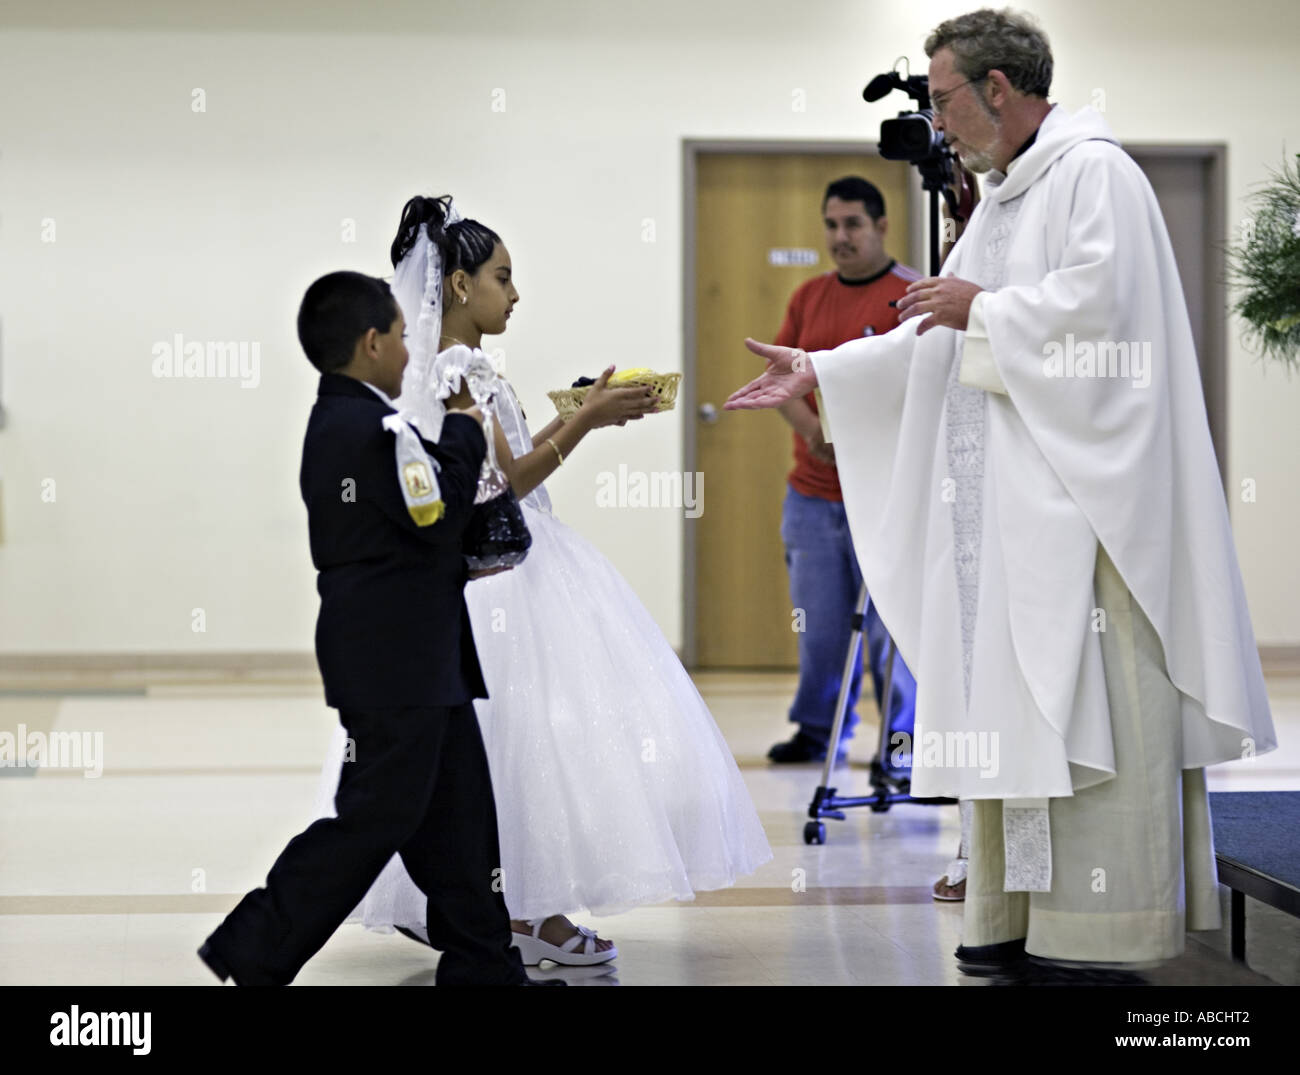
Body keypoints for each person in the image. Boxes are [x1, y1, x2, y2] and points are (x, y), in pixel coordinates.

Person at [727, 8, 1276, 982]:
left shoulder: (1094, 174)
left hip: (1091, 520)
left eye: (942, 100)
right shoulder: (1007, 195)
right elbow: (928, 333)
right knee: (1015, 714)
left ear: (997, 90)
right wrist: (820, 368)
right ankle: (1014, 913)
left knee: (1093, 715)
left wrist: (984, 308)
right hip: (1010, 523)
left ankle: (1099, 929)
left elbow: (1106, 326)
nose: (935, 122)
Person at [313, 196, 773, 967]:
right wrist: (587, 423)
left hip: (522, 574)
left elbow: (505, 464)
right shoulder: (458, 370)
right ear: (458, 285)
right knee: (531, 748)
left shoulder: (461, 366)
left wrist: (585, 412)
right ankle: (528, 908)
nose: (514, 293)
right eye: (502, 276)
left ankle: (507, 900)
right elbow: (503, 487)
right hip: (506, 586)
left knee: (526, 749)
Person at [199, 271, 552, 986]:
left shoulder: (349, 424)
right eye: (397, 337)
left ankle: (485, 965)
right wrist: (464, 426)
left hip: (419, 656)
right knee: (373, 818)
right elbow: (440, 510)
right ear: (370, 343)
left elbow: (414, 534)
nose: (407, 352)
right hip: (398, 662)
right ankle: (253, 946)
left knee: (459, 820)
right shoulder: (370, 429)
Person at [768, 177, 920, 766]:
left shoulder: (911, 296)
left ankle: (902, 752)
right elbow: (781, 383)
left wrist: (863, 442)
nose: (840, 237)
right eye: (831, 225)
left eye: (853, 224)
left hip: (885, 502)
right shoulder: (808, 297)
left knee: (893, 636)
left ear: (882, 226)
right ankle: (816, 732)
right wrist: (813, 432)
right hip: (812, 498)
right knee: (819, 627)